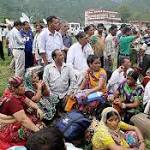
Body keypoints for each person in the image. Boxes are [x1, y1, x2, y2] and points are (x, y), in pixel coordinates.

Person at [0, 76, 44, 149]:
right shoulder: (12, 100)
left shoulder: (18, 94)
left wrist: (37, 108)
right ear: (14, 88)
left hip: (14, 120)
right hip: (7, 129)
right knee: (36, 129)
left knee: (35, 120)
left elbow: (29, 101)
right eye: (22, 86)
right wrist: (38, 131)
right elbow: (23, 120)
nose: (24, 88)